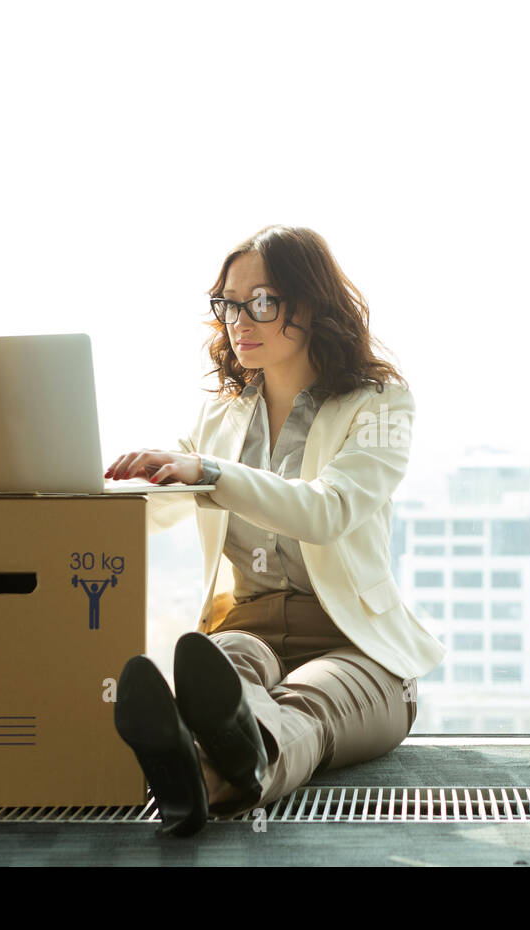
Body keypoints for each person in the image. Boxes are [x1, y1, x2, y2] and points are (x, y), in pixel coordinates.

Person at [106, 225, 446, 835]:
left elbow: (327, 510)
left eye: (261, 301)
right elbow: (163, 504)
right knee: (225, 663)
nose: (240, 320)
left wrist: (210, 472)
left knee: (309, 704)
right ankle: (204, 777)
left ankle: (202, 775)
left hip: (354, 645)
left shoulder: (380, 404)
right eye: (230, 304)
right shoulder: (222, 415)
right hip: (249, 626)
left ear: (312, 304)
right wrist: (107, 486)